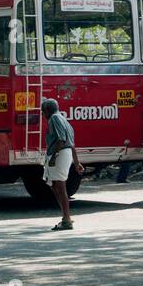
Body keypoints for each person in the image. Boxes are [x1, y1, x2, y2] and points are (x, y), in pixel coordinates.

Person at [40, 98, 84, 231]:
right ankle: (66, 216)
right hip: (65, 153)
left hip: (59, 153)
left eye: (42, 112)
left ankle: (66, 219)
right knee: (53, 184)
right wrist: (76, 163)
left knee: (60, 186)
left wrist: (54, 156)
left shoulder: (54, 118)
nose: (42, 115)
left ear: (47, 110)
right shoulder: (64, 119)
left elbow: (61, 139)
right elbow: (72, 144)